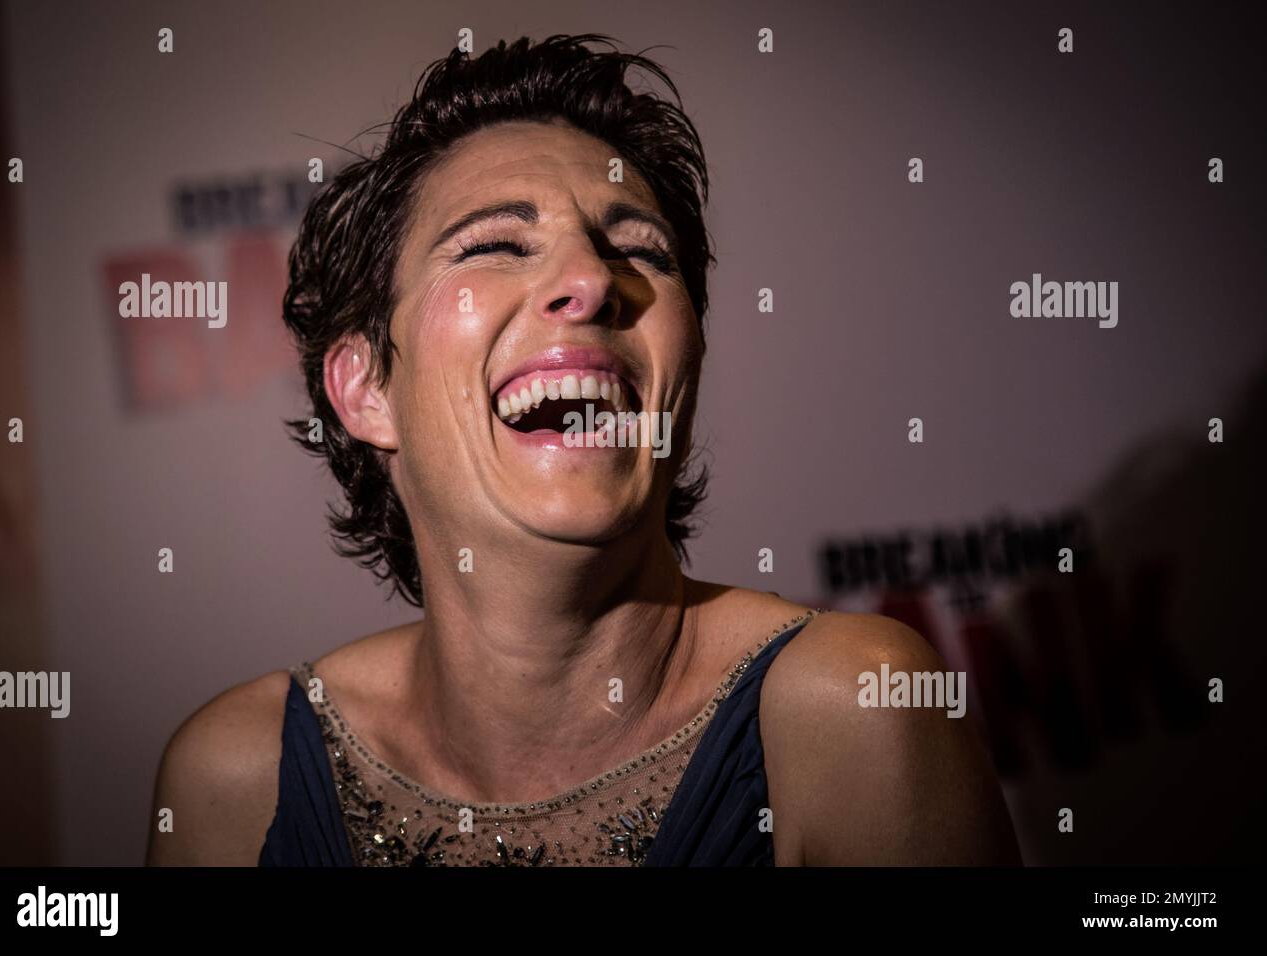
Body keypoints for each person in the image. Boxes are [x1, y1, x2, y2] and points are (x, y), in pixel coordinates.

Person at [147, 34, 1020, 867]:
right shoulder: (235, 775)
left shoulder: (855, 710)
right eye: (494, 244)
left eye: (642, 250)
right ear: (366, 387)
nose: (596, 281)